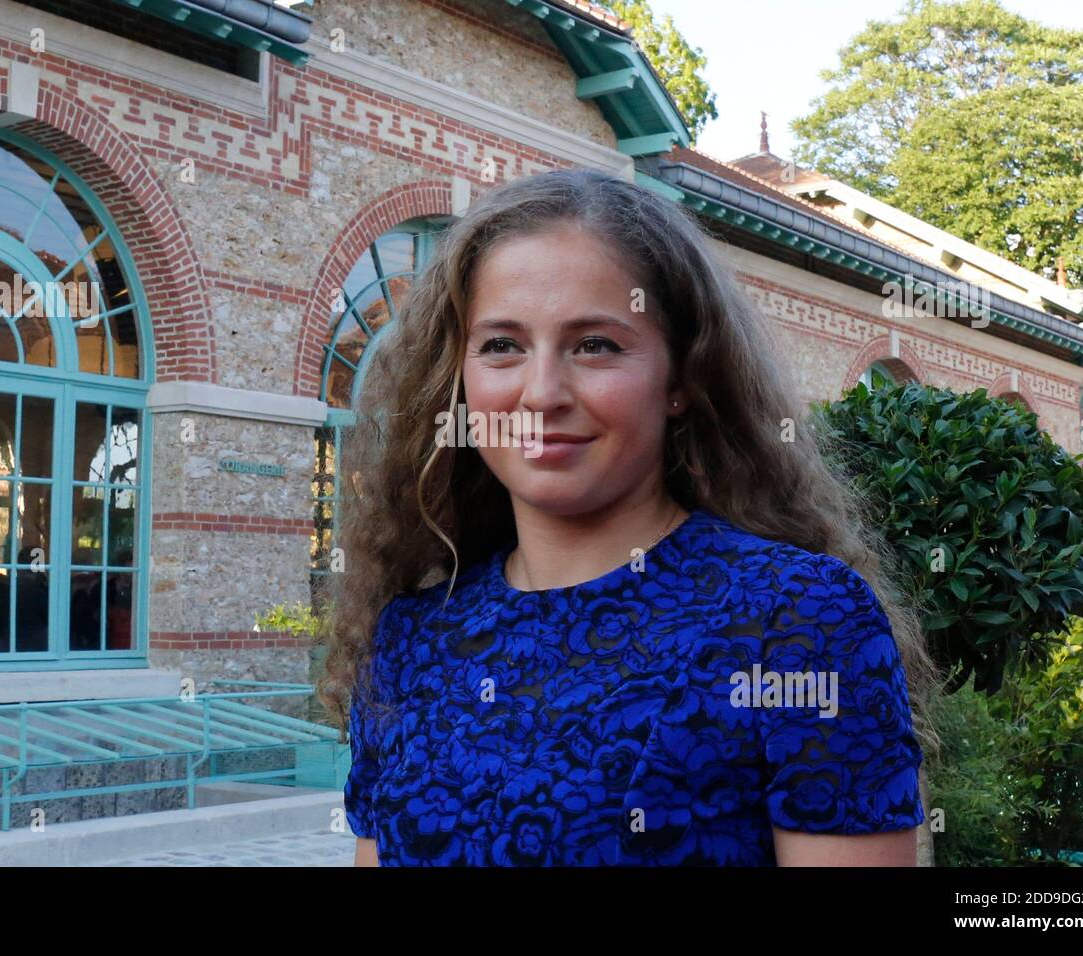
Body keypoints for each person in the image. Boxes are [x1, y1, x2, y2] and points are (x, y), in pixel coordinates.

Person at [319, 167, 938, 866]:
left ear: (680, 378)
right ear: (458, 379)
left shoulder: (797, 620)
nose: (542, 391)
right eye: (502, 345)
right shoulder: (411, 638)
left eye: (595, 345)